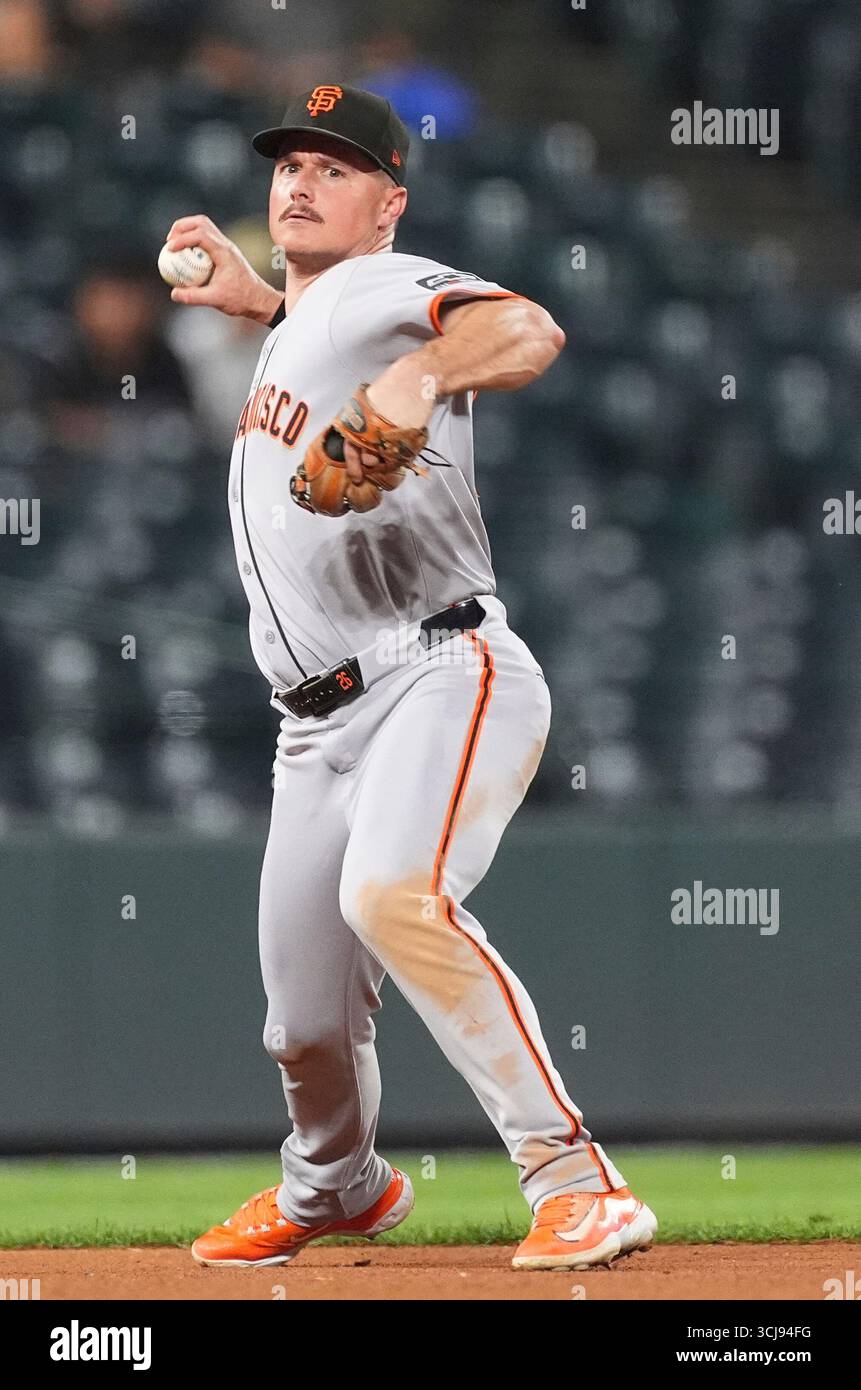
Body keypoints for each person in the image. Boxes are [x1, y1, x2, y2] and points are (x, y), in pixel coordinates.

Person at [164, 84, 657, 1272]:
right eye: (291, 163)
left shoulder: (393, 286)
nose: (301, 181)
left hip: (437, 669)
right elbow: (329, 336)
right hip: (315, 729)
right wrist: (256, 300)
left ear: (389, 205)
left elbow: (528, 330)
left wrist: (421, 380)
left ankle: (577, 1180)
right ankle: (336, 1183)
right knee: (304, 1023)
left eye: (336, 169)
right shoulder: (314, 314)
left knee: (395, 896)